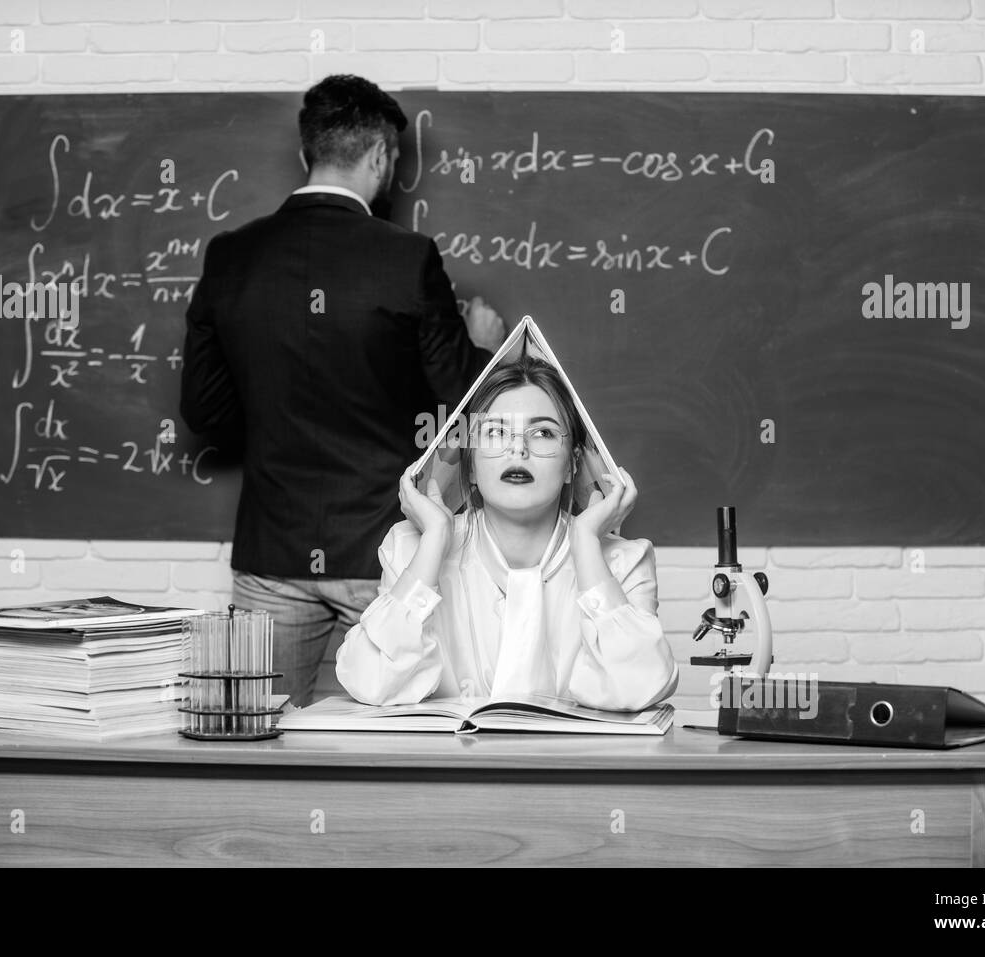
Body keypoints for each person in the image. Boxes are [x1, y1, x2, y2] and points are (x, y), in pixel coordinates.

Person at [180, 74, 505, 707]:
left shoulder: (231, 256)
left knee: (254, 735)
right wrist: (479, 343)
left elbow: (205, 414)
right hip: (384, 553)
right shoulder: (407, 258)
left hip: (272, 553)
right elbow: (459, 400)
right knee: (396, 746)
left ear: (308, 154)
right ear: (381, 158)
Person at [335, 350, 679, 711]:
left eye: (543, 432)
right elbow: (371, 683)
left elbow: (639, 689)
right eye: (496, 432)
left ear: (570, 466)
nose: (518, 448)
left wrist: (586, 543)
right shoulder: (411, 549)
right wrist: (435, 538)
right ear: (469, 467)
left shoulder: (623, 561)